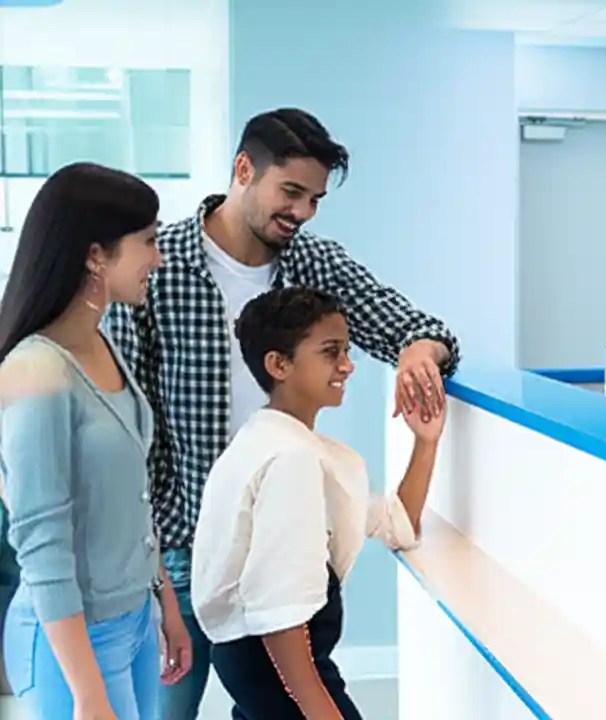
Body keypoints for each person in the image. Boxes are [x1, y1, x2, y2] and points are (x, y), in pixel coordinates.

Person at [102, 107, 460, 718]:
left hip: (284, 539)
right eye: (291, 192)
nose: (302, 212)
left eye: (315, 198)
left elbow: (418, 328)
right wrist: (152, 564)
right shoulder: (158, 266)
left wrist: (421, 355)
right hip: (183, 550)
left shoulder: (312, 261)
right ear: (244, 169)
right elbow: (126, 424)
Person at [191, 286, 440, 719]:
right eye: (331, 352)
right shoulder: (291, 459)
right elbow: (278, 609)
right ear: (278, 364)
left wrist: (426, 442)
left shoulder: (282, 446)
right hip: (279, 664)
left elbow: (396, 522)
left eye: (346, 351)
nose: (347, 365)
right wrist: (319, 708)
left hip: (257, 663)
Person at [0, 163, 192, 720]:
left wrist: (165, 602)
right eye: (148, 242)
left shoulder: (105, 345)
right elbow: (41, 541)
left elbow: (130, 502)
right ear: (94, 255)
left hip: (133, 623)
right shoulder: (37, 369)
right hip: (73, 644)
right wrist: (86, 692)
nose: (158, 258)